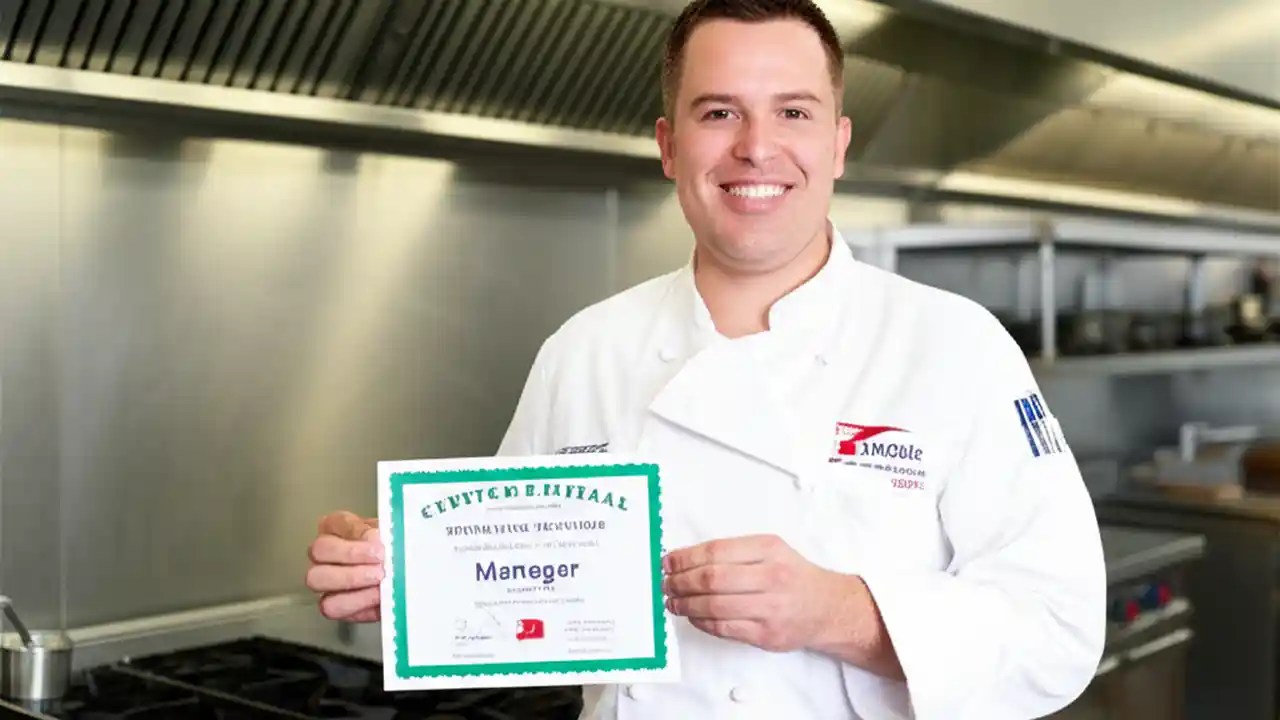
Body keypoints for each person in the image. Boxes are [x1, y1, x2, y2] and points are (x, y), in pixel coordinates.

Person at [305, 0, 1106, 718]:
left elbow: (1059, 634)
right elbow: (524, 595)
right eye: (720, 112)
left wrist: (839, 611)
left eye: (792, 112)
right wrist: (406, 577)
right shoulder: (585, 350)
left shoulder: (955, 347)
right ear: (668, 144)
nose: (757, 148)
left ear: (836, 144)